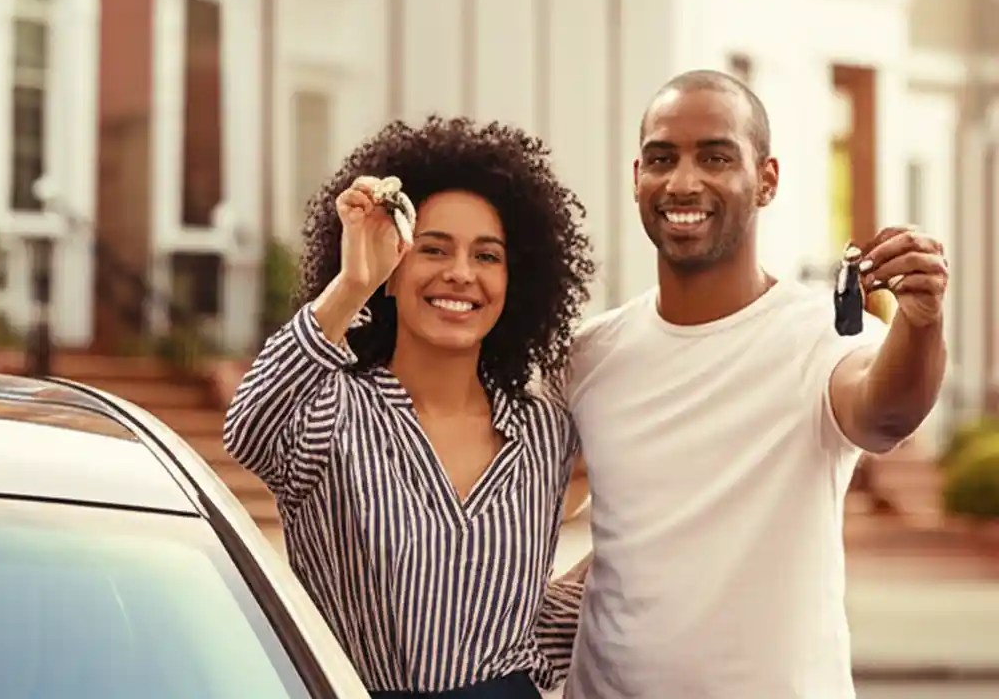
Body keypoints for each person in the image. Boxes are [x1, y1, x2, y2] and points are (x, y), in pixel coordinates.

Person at [561, 70, 949, 699]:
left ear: (766, 179)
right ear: (638, 178)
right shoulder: (589, 355)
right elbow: (532, 503)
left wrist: (922, 322)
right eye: (663, 158)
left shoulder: (823, 337)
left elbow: (885, 415)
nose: (684, 181)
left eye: (715, 156)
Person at [224, 116, 596, 698]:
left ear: (514, 281)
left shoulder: (544, 430)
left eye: (488, 256)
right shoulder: (335, 411)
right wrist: (352, 285)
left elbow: (635, 531)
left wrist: (552, 628)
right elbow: (249, 425)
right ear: (393, 269)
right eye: (433, 249)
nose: (461, 273)